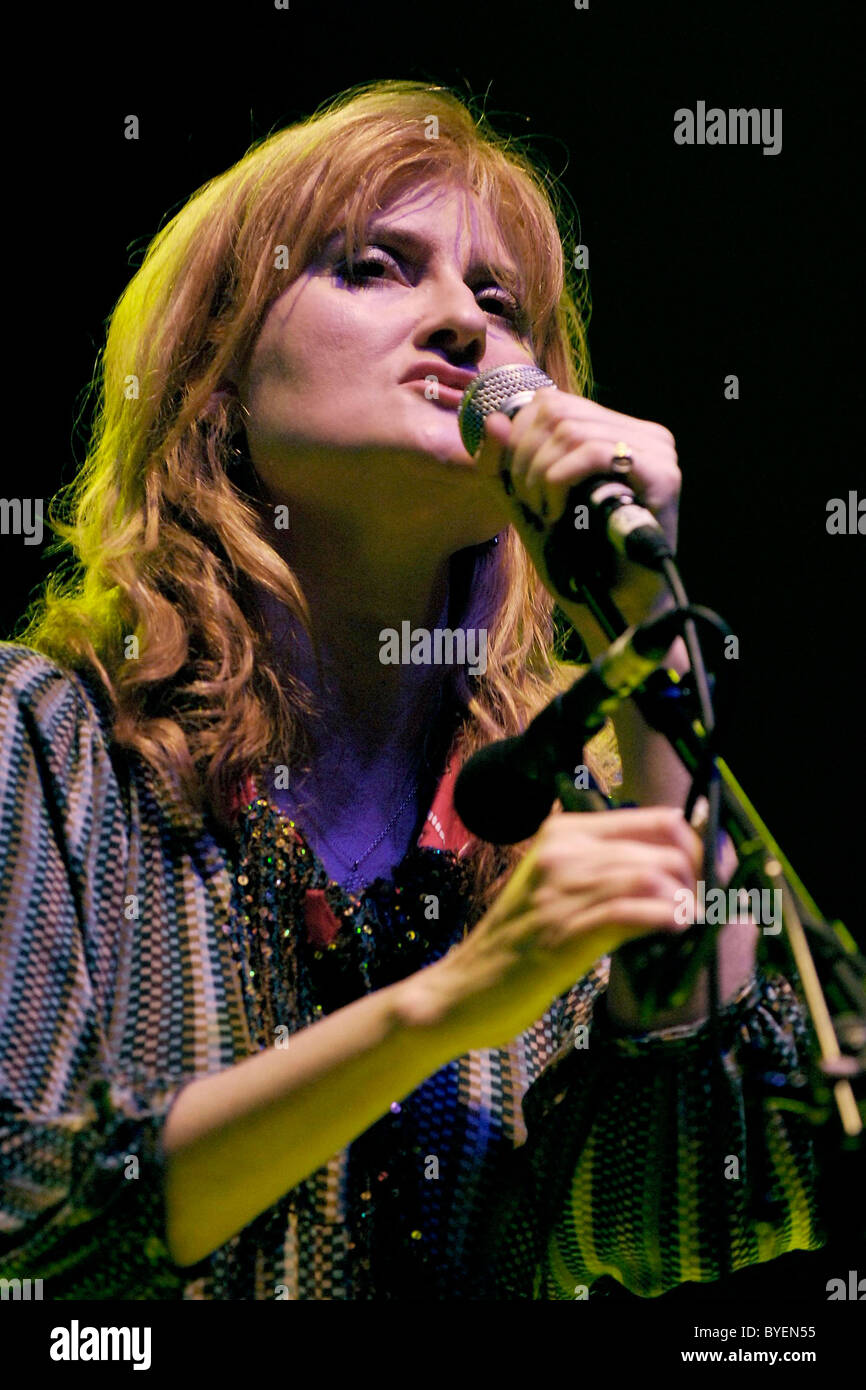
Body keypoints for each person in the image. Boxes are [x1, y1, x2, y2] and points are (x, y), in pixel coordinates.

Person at [0, 80, 822, 1300]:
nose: (464, 327)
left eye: (499, 303)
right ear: (213, 375)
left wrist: (648, 630)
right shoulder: (47, 745)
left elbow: (700, 1217)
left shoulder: (559, 823)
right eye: (378, 268)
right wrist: (438, 1011)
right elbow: (35, 1237)